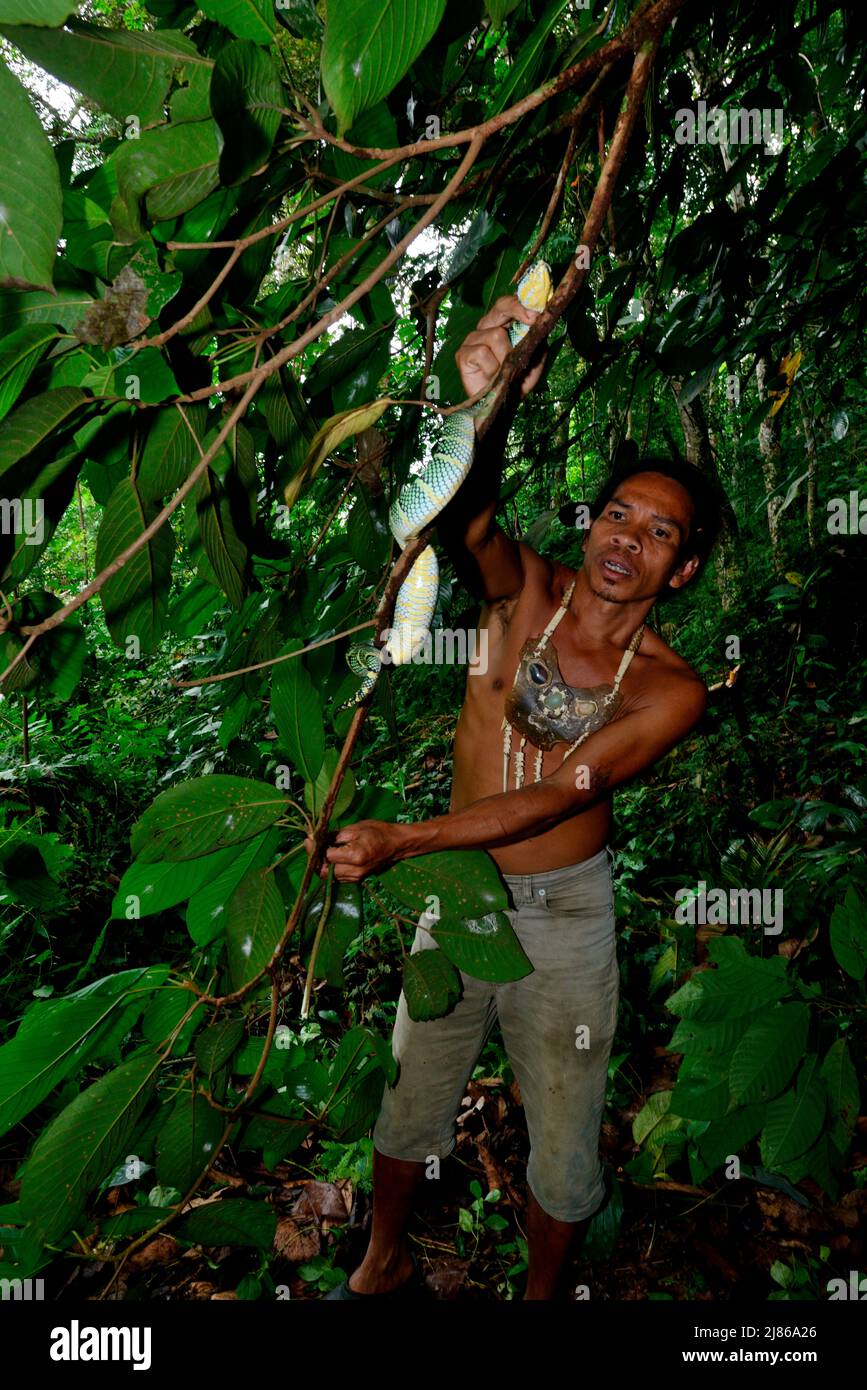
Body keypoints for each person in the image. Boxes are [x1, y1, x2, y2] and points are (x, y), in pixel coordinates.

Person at [308, 292, 721, 1300]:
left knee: (568, 1138)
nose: (628, 538)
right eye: (618, 512)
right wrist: (485, 407)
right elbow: (472, 519)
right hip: (455, 889)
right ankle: (381, 1256)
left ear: (683, 569)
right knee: (411, 1096)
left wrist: (405, 839)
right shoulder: (520, 593)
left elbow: (561, 794)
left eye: (659, 532)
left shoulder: (673, 691)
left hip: (566, 913)